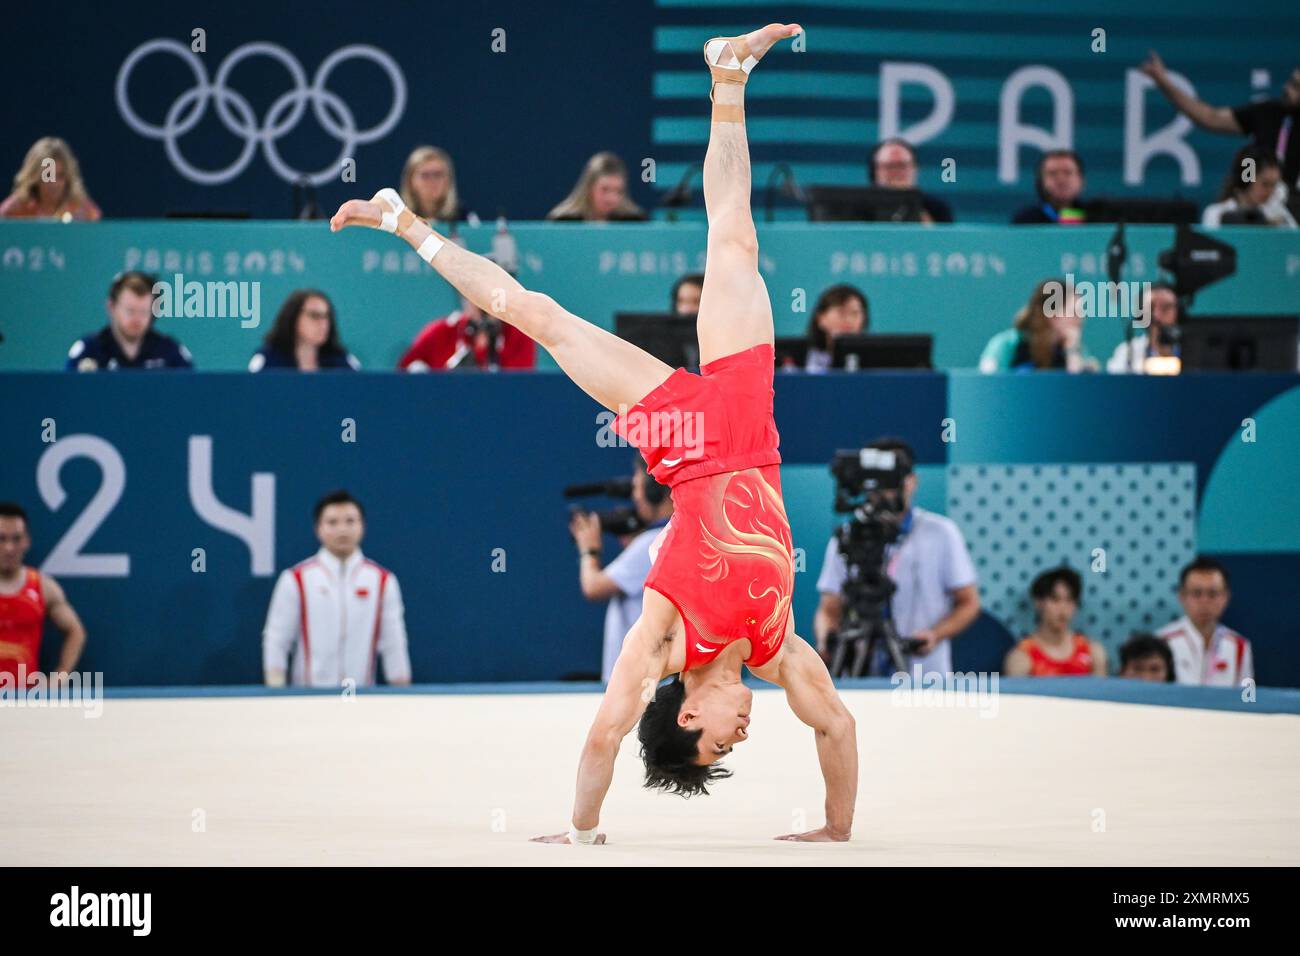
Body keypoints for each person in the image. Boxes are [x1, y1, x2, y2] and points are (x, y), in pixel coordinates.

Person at [330, 22, 857, 844]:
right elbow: (838, 728)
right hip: (751, 428)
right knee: (736, 235)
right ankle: (727, 76)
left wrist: (582, 833)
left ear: (686, 713)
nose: (742, 736)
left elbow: (606, 733)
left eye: (720, 741)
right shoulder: (775, 646)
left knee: (532, 315)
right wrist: (836, 831)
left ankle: (402, 221)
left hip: (684, 438)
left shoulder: (664, 636)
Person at [814, 438, 980, 677]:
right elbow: (829, 608)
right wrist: (826, 639)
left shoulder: (941, 532)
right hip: (862, 677)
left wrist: (935, 634)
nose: (880, 489)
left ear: (910, 481)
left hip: (925, 674)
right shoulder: (848, 536)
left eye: (888, 477)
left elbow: (969, 602)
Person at [262, 490, 411, 688]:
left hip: (361, 699)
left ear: (362, 526)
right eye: (332, 522)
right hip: (308, 699)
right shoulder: (296, 579)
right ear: (318, 528)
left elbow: (393, 643)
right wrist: (276, 693)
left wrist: (401, 694)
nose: (342, 530)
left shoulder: (382, 581)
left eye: (350, 521)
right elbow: (277, 640)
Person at [569, 461, 674, 682]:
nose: (634, 497)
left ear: (655, 491)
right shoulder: (669, 537)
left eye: (637, 487)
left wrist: (589, 550)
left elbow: (593, 587)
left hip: (636, 683)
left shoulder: (652, 541)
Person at [1140, 53, 1299, 194]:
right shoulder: (1268, 112)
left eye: (1296, 87)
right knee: (1247, 157)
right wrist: (1162, 81)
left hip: (1294, 213)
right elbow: (1210, 117)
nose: (1286, 88)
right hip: (1257, 208)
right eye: (1290, 82)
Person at [0, 502, 87, 688]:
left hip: (28, 702)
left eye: (16, 539)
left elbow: (75, 631)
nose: (8, 548)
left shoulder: (43, 588)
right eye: (1, 539)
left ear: (27, 541)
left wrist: (60, 677)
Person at [66, 271, 193, 371]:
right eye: (130, 311)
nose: (137, 319)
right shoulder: (89, 350)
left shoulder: (170, 352)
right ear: (111, 307)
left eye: (144, 311)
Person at [1158, 557, 1253, 687]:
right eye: (1197, 593)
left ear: (1226, 597)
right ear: (1182, 597)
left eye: (1212, 594)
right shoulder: (1163, 642)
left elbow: (1247, 697)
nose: (1204, 601)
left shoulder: (1240, 646)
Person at [1003, 567, 1107, 677]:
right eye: (1055, 600)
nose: (1063, 609)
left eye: (1070, 600)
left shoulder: (1093, 652)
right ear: (1038, 603)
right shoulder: (1021, 657)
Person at [979, 278, 1099, 373]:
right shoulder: (1007, 345)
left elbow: (1080, 391)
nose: (1081, 319)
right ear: (1052, 314)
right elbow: (988, 386)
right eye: (1075, 313)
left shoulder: (1076, 350)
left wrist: (1072, 351)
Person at [398, 294, 536, 371]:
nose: (483, 306)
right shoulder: (441, 331)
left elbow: (519, 389)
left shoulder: (518, 336)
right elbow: (404, 376)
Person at [249, 290, 359, 371]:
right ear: (293, 318)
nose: (324, 324)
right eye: (315, 316)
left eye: (327, 317)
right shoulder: (267, 361)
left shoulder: (343, 363)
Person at [0, 137, 101, 221]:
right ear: (35, 176)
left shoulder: (83, 211)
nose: (54, 183)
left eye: (60, 176)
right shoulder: (14, 210)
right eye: (48, 175)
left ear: (68, 178)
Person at [1201, 146, 1296, 228]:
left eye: (1274, 185)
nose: (1270, 191)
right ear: (1246, 180)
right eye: (1265, 184)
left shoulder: (1279, 214)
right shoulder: (1215, 214)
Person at [868, 138, 953, 223]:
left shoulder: (937, 209)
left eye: (901, 165)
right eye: (889, 166)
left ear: (915, 169)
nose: (896, 172)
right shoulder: (862, 207)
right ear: (875, 171)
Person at [546, 152, 647, 222]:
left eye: (618, 191)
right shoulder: (563, 221)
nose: (611, 198)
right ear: (588, 188)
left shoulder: (635, 222)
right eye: (605, 189)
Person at [1106, 282, 1180, 374]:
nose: (1157, 315)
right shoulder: (1127, 352)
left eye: (1165, 308)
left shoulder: (1195, 352)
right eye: (1151, 307)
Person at [1010, 150, 1086, 224]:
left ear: (1081, 179)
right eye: (1053, 173)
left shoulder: (1093, 217)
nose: (1061, 180)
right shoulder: (1025, 220)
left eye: (1068, 172)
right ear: (1041, 181)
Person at [804, 284, 868, 372]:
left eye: (855, 313)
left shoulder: (874, 362)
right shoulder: (804, 358)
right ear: (820, 318)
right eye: (841, 312)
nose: (848, 320)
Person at [399, 145, 464, 225]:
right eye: (425, 175)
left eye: (438, 174)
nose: (432, 181)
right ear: (410, 181)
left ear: (448, 179)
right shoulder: (397, 217)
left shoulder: (465, 218)